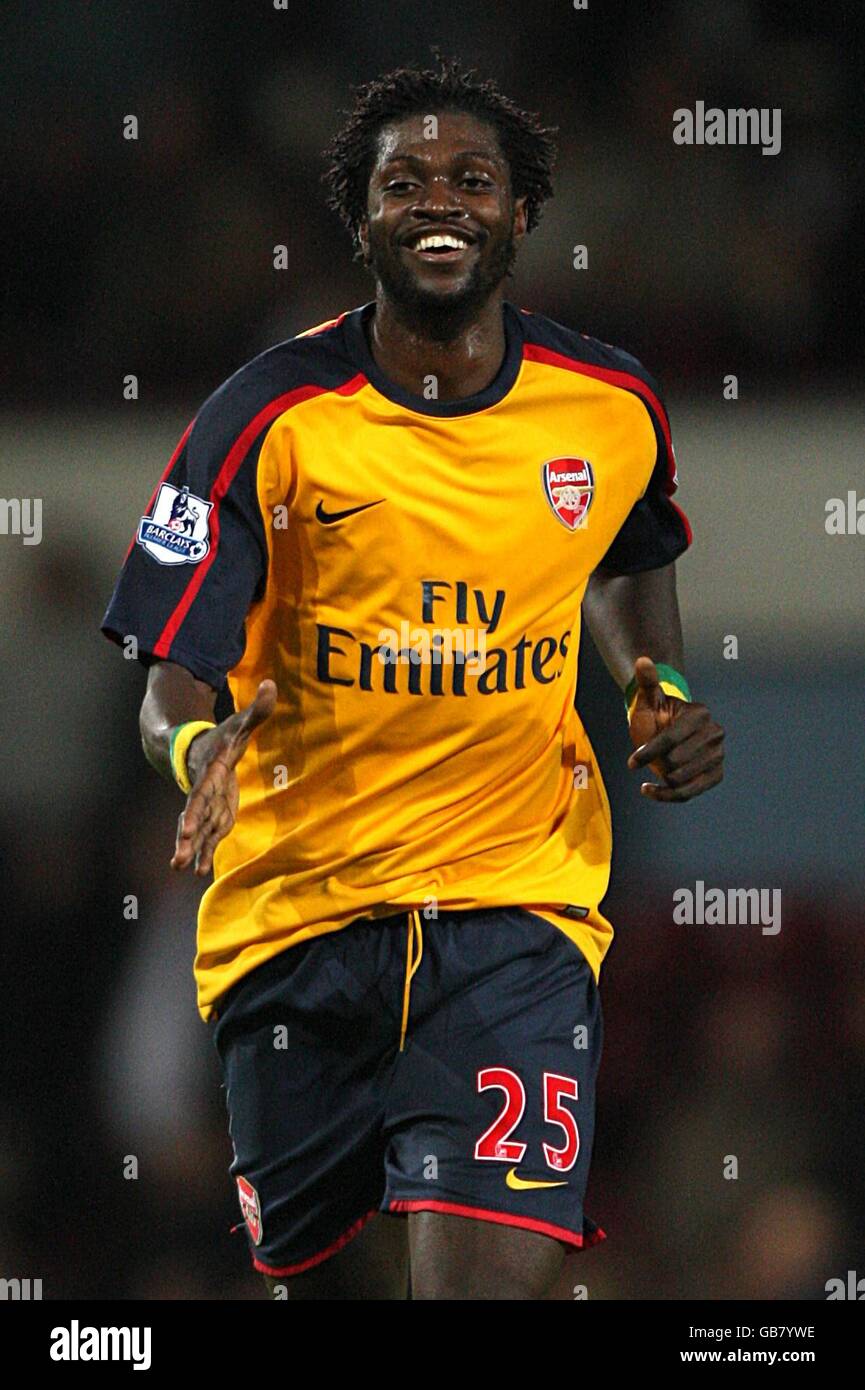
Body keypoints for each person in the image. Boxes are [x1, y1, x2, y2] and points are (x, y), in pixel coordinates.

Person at [101, 56, 724, 1301]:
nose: (440, 202)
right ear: (364, 215)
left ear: (520, 212)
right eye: (405, 182)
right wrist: (194, 753)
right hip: (300, 922)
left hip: (515, 913)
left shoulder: (606, 406)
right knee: (323, 1282)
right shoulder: (266, 418)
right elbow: (169, 684)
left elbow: (626, 551)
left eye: (471, 179)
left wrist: (652, 681)